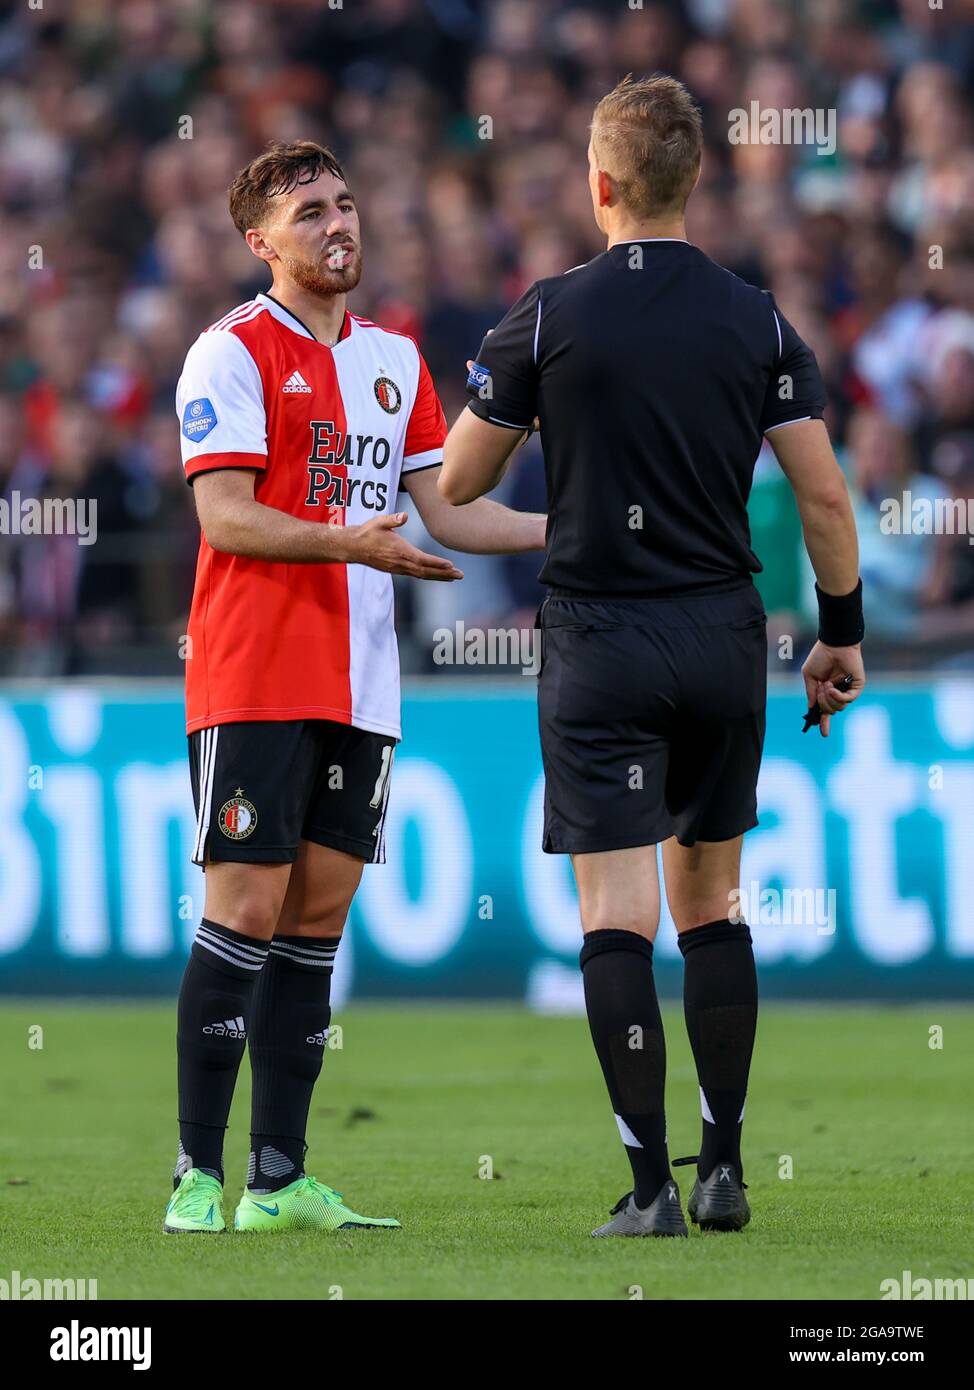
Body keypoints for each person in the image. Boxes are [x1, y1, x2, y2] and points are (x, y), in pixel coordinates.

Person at [440, 75, 865, 1237]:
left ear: (599, 184)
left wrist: (561, 483)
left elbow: (460, 483)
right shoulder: (754, 316)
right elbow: (823, 496)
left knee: (613, 920)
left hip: (599, 638)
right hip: (721, 633)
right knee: (713, 903)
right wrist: (838, 634)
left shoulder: (548, 311)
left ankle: (649, 1187)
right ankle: (723, 1164)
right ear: (694, 181)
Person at [164, 141, 545, 1236]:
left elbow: (449, 513)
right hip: (252, 672)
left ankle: (277, 1179)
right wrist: (350, 544)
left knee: (318, 920)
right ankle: (195, 1176)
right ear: (260, 243)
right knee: (242, 906)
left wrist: (573, 537)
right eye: (310, 212)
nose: (339, 224)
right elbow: (224, 515)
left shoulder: (393, 357)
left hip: (362, 684)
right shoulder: (228, 352)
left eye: (345, 203)